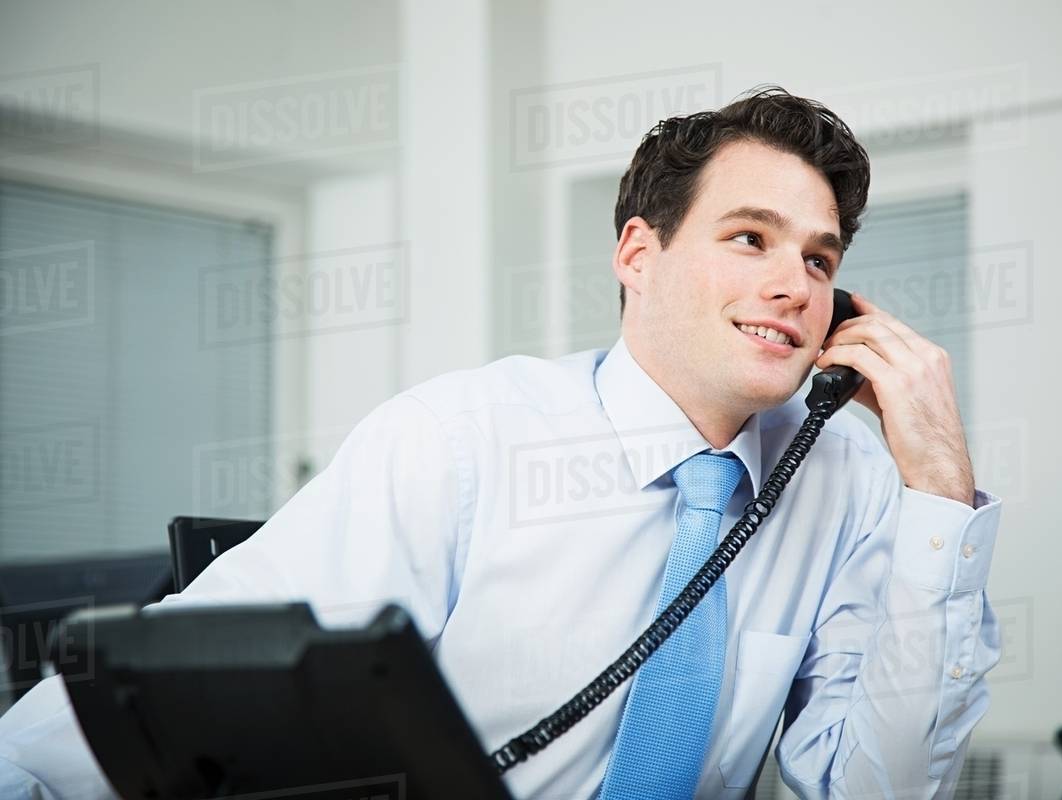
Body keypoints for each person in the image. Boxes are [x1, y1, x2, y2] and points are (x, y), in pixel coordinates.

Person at [0, 86, 1002, 799]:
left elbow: (875, 784)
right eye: (751, 237)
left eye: (819, 258)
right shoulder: (461, 441)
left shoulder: (848, 479)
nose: (795, 282)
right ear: (639, 255)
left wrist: (940, 494)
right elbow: (158, 697)